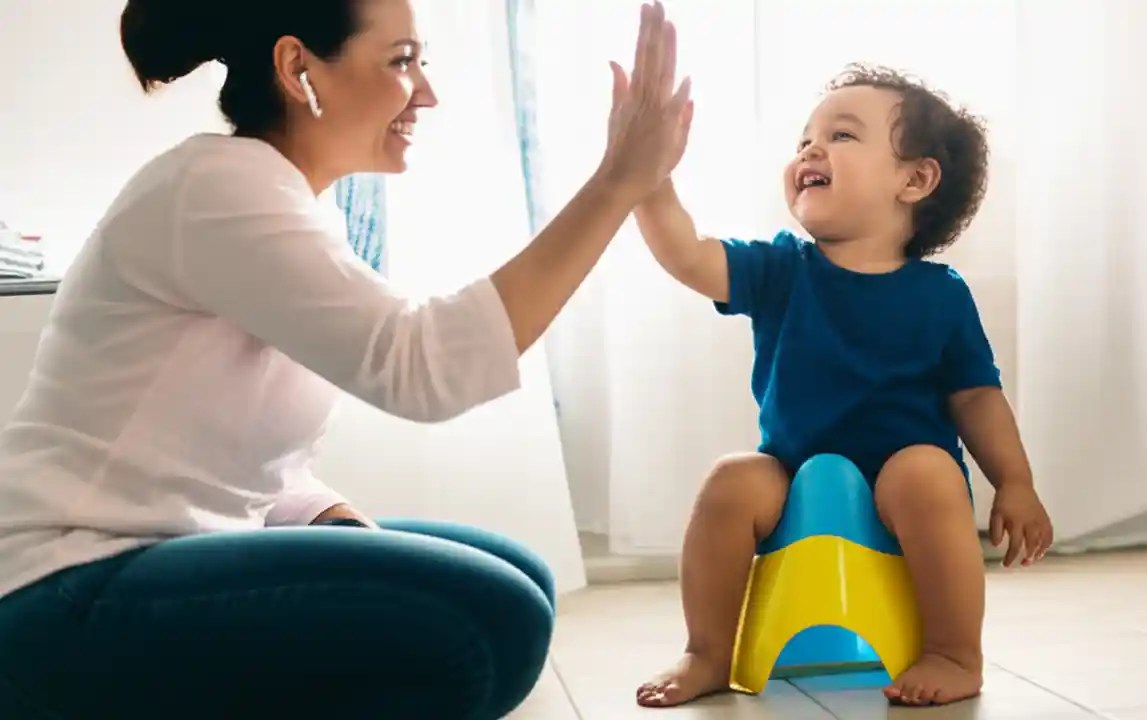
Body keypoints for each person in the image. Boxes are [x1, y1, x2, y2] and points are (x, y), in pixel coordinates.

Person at [0, 0, 692, 717]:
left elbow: (224, 450)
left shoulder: (287, 203)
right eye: (401, 61)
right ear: (298, 68)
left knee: (518, 575)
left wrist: (326, 521)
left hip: (158, 563)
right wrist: (616, 185)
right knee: (494, 617)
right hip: (65, 595)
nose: (426, 92)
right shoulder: (216, 187)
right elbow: (422, 365)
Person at [631, 63, 1053, 708]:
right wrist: (648, 179)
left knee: (924, 470)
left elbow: (976, 397)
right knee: (731, 478)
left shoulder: (941, 295)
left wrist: (1015, 483)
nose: (810, 149)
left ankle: (954, 651)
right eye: (805, 139)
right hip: (792, 478)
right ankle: (708, 651)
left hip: (903, 492)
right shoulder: (778, 268)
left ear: (914, 179)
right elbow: (688, 254)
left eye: (843, 135)